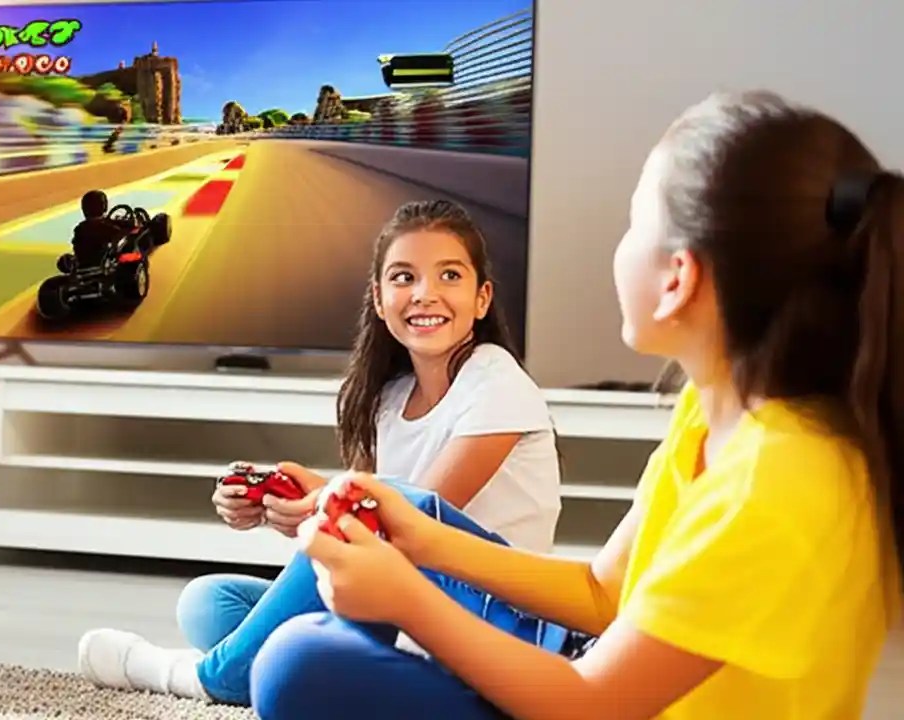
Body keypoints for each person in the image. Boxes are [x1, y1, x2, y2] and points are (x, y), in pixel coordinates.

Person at [251, 90, 904, 720]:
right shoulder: (712, 413)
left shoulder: (780, 479)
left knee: (298, 663)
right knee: (396, 535)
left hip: (594, 702)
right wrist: (426, 543)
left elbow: (592, 705)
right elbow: (603, 593)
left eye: (633, 224)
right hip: (596, 673)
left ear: (678, 280)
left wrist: (411, 600)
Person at [77, 199, 566, 704]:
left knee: (347, 533)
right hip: (410, 609)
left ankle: (204, 678)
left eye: (449, 276)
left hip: (492, 621)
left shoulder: (496, 379)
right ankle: (284, 661)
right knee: (208, 600)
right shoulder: (391, 396)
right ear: (378, 299)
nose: (425, 294)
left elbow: (416, 518)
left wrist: (326, 506)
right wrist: (283, 504)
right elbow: (374, 521)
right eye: (403, 278)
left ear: (482, 298)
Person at [71, 189, 123, 267]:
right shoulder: (110, 229)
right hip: (104, 267)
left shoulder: (79, 229)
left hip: (83, 266)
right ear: (104, 207)